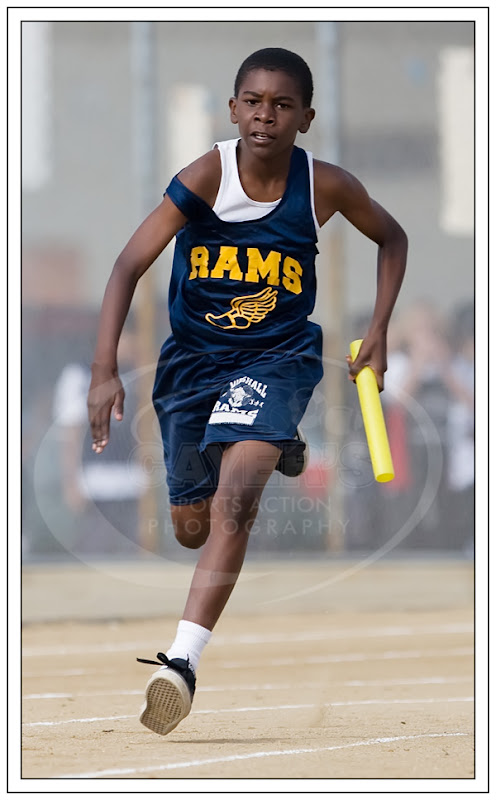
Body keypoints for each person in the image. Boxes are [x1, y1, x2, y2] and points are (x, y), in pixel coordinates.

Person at [87, 48, 407, 736]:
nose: (266, 115)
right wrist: (102, 369)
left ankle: (182, 663)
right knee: (191, 526)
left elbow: (393, 237)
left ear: (306, 117)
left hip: (277, 359)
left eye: (283, 104)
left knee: (236, 502)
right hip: (192, 368)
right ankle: (276, 439)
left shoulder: (323, 185)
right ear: (233, 110)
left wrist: (377, 329)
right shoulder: (206, 175)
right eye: (254, 102)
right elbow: (127, 264)